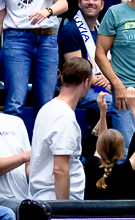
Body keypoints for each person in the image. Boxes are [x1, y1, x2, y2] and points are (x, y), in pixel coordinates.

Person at [28, 58, 89, 201]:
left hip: (45, 199)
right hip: (55, 203)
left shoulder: (46, 108)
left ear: (62, 77)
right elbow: (59, 169)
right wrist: (64, 212)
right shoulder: (65, 116)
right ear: (86, 82)